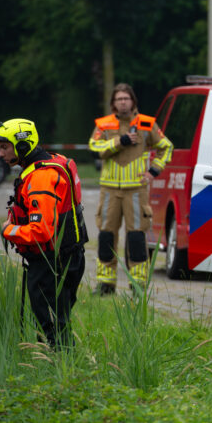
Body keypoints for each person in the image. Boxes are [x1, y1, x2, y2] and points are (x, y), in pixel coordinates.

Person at [0, 118, 87, 349]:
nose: (0, 153)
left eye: (5, 147)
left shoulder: (41, 178)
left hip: (52, 263)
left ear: (23, 147)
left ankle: (63, 367)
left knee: (54, 325)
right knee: (57, 320)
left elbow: (41, 232)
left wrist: (9, 230)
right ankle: (57, 362)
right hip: (67, 256)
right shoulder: (56, 162)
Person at [88, 84, 173, 295]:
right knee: (107, 236)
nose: (123, 102)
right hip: (109, 189)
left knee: (136, 238)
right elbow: (94, 148)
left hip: (136, 190)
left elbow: (166, 147)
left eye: (126, 98)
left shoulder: (146, 124)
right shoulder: (104, 125)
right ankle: (106, 283)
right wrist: (119, 141)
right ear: (113, 103)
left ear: (133, 101)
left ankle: (139, 285)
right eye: (119, 99)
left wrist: (153, 172)